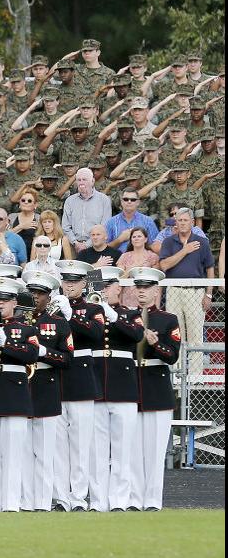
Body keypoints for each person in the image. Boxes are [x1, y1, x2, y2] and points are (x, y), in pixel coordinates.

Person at [0, 277, 38, 512]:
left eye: (4, 300)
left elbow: (32, 356)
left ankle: (12, 501)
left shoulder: (26, 328)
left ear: (14, 302)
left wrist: (8, 345)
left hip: (14, 390)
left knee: (14, 451)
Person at [88, 266, 144, 512]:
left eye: (106, 286)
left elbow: (137, 335)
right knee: (97, 451)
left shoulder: (130, 314)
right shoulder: (91, 314)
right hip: (97, 386)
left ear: (118, 288)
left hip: (123, 387)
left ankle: (120, 501)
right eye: (99, 287)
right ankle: (98, 501)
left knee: (123, 450)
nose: (102, 291)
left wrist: (112, 315)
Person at [129, 267, 181, 511]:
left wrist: (156, 342)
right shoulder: (128, 318)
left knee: (155, 450)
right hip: (131, 387)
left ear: (155, 291)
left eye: (146, 287)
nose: (141, 291)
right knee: (133, 450)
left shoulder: (167, 319)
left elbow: (172, 356)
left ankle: (152, 500)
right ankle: (134, 499)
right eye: (138, 287)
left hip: (156, 387)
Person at [55, 259, 105, 512]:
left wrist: (70, 316)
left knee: (81, 443)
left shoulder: (93, 308)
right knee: (59, 446)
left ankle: (78, 498)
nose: (69, 285)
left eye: (74, 281)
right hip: (59, 377)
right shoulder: (54, 307)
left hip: (82, 376)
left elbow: (96, 335)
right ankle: (62, 497)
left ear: (84, 284)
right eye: (66, 281)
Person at [23, 271, 73, 512]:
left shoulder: (58, 323)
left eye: (40, 294)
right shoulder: (18, 321)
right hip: (21, 386)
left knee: (45, 451)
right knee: (22, 450)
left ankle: (43, 501)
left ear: (49, 297)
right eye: (31, 292)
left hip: (45, 384)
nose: (34, 297)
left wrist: (44, 353)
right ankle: (24, 499)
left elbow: (66, 358)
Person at [157, 207, 215, 377]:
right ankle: (177, 376)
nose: (181, 223)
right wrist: (185, 250)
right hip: (174, 291)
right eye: (179, 220)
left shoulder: (202, 242)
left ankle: (196, 378)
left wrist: (209, 293)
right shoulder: (168, 242)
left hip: (195, 292)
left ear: (192, 222)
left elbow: (210, 268)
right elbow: (164, 265)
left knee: (196, 335)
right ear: (176, 222)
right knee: (175, 335)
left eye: (185, 220)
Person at [62, 168, 112, 252]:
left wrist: (87, 245)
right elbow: (65, 227)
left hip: (96, 247)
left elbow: (105, 226)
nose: (81, 182)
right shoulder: (69, 201)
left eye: (84, 179)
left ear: (92, 181)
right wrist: (75, 242)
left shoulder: (104, 200)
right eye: (79, 180)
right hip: (73, 246)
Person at [117, 228, 160, 308]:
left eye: (139, 236)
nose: (136, 238)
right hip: (127, 300)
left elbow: (157, 282)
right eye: (134, 237)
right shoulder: (124, 257)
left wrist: (156, 305)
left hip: (147, 300)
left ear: (145, 239)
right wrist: (131, 270)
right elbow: (119, 279)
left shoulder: (153, 257)